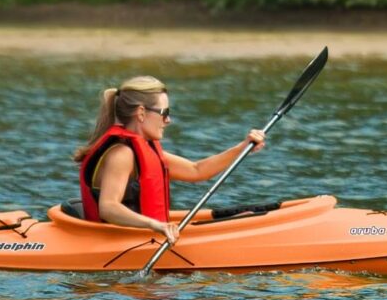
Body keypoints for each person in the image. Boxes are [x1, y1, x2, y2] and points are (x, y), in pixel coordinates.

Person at [73, 76, 265, 244]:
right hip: (117, 241)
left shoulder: (145, 150)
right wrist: (154, 225)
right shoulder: (121, 154)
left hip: (145, 237)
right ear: (141, 113)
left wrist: (242, 148)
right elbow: (108, 207)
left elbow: (196, 170)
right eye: (164, 113)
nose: (168, 120)